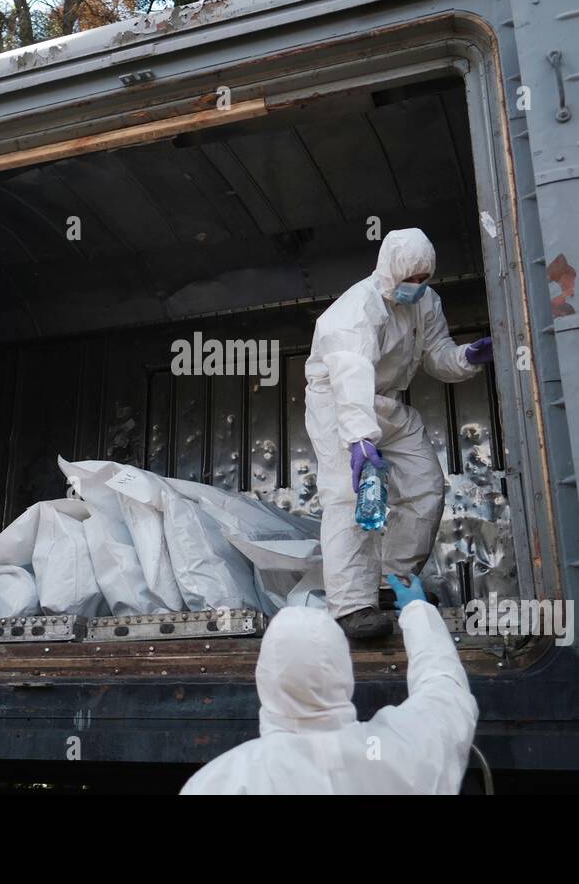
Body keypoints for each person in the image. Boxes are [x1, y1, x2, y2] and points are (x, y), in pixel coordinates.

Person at [304, 228, 493, 638]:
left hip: (386, 401)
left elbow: (437, 356)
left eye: (424, 278)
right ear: (388, 270)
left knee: (425, 485)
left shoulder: (426, 301)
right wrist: (359, 441)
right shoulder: (356, 310)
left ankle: (394, 581)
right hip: (339, 401)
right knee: (348, 495)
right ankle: (352, 607)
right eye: (409, 279)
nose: (417, 286)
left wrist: (467, 356)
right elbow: (350, 375)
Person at [179, 575, 478, 794]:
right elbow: (444, 685)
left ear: (265, 676)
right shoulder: (402, 751)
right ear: (343, 670)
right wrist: (418, 612)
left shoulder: (223, 782)